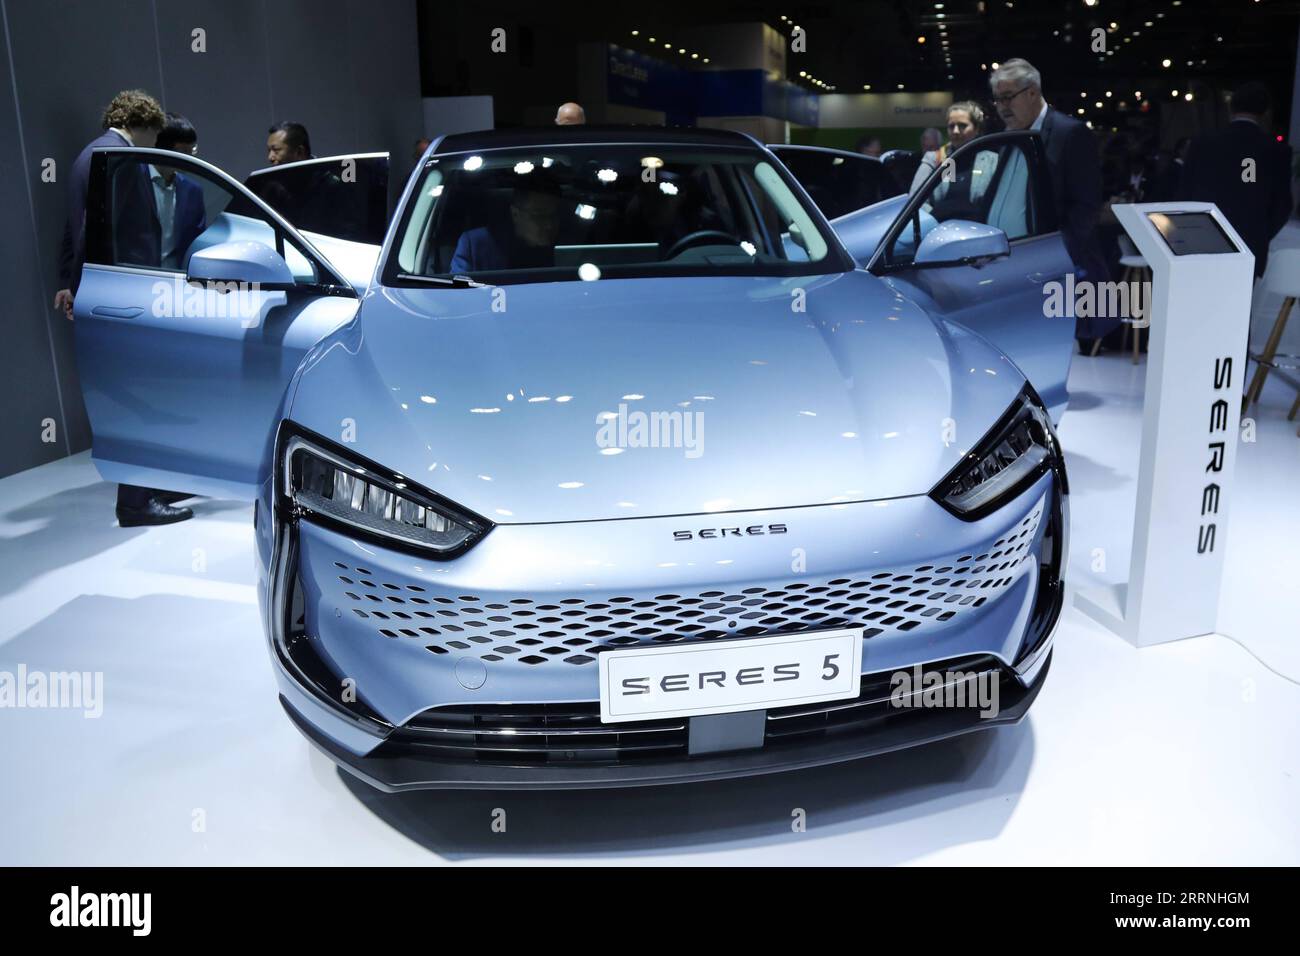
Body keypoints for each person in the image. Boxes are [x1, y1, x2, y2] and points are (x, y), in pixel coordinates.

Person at [54, 89, 194, 527]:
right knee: (140, 399)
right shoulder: (123, 160)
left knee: (130, 396)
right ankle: (135, 501)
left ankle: (147, 487)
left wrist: (73, 285)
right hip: (129, 296)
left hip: (102, 293)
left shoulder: (88, 155)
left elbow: (76, 231)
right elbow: (131, 238)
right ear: (147, 123)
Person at [989, 58, 1112, 345]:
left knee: (1044, 347)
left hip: (1046, 267)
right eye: (997, 100)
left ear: (1032, 92)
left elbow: (1086, 206)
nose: (1002, 107)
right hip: (1004, 265)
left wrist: (1057, 257)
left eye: (1008, 97)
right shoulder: (1008, 138)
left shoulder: (1070, 133)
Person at [1180, 83, 1292, 278]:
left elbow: (1184, 191)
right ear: (1265, 112)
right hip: (1249, 241)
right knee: (1239, 305)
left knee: (1198, 301)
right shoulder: (1275, 150)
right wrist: (1261, 233)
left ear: (1230, 108)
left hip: (1202, 239)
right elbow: (1282, 205)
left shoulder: (1203, 143)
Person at [450, 178, 563, 273]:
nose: (549, 224)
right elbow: (459, 292)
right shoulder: (476, 245)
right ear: (515, 214)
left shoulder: (575, 243)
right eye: (540, 216)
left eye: (554, 215)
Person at [150, 113, 206, 270]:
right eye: (183, 152)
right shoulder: (136, 183)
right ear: (162, 149)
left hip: (178, 279)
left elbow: (197, 243)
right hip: (137, 277)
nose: (190, 160)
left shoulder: (193, 191)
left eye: (192, 151)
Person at [910, 101, 990, 195]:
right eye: (951, 126)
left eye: (962, 126)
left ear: (976, 129)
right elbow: (915, 198)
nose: (955, 131)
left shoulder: (991, 160)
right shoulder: (936, 159)